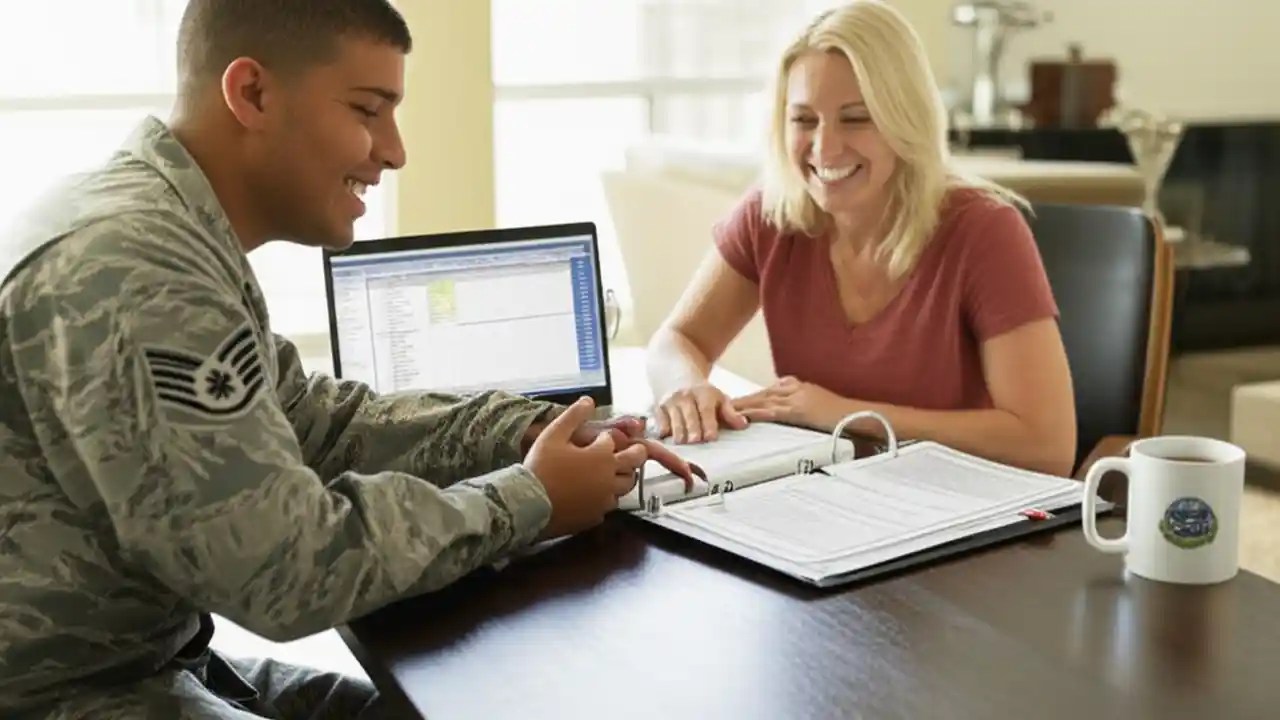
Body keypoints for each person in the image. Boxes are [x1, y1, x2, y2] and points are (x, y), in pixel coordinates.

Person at [0, 1, 697, 718]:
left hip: (145, 662)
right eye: (368, 110)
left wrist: (515, 432)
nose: (395, 151)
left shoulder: (166, 228)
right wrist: (528, 499)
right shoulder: (138, 269)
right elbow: (288, 568)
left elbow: (315, 423)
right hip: (69, 696)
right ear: (252, 94)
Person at [646, 0, 1077, 477]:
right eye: (804, 120)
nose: (825, 147)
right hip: (832, 499)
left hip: (958, 507)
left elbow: (1047, 445)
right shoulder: (772, 214)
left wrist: (843, 413)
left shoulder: (985, 231)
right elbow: (678, 339)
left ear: (904, 118)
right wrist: (683, 387)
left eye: (856, 118)